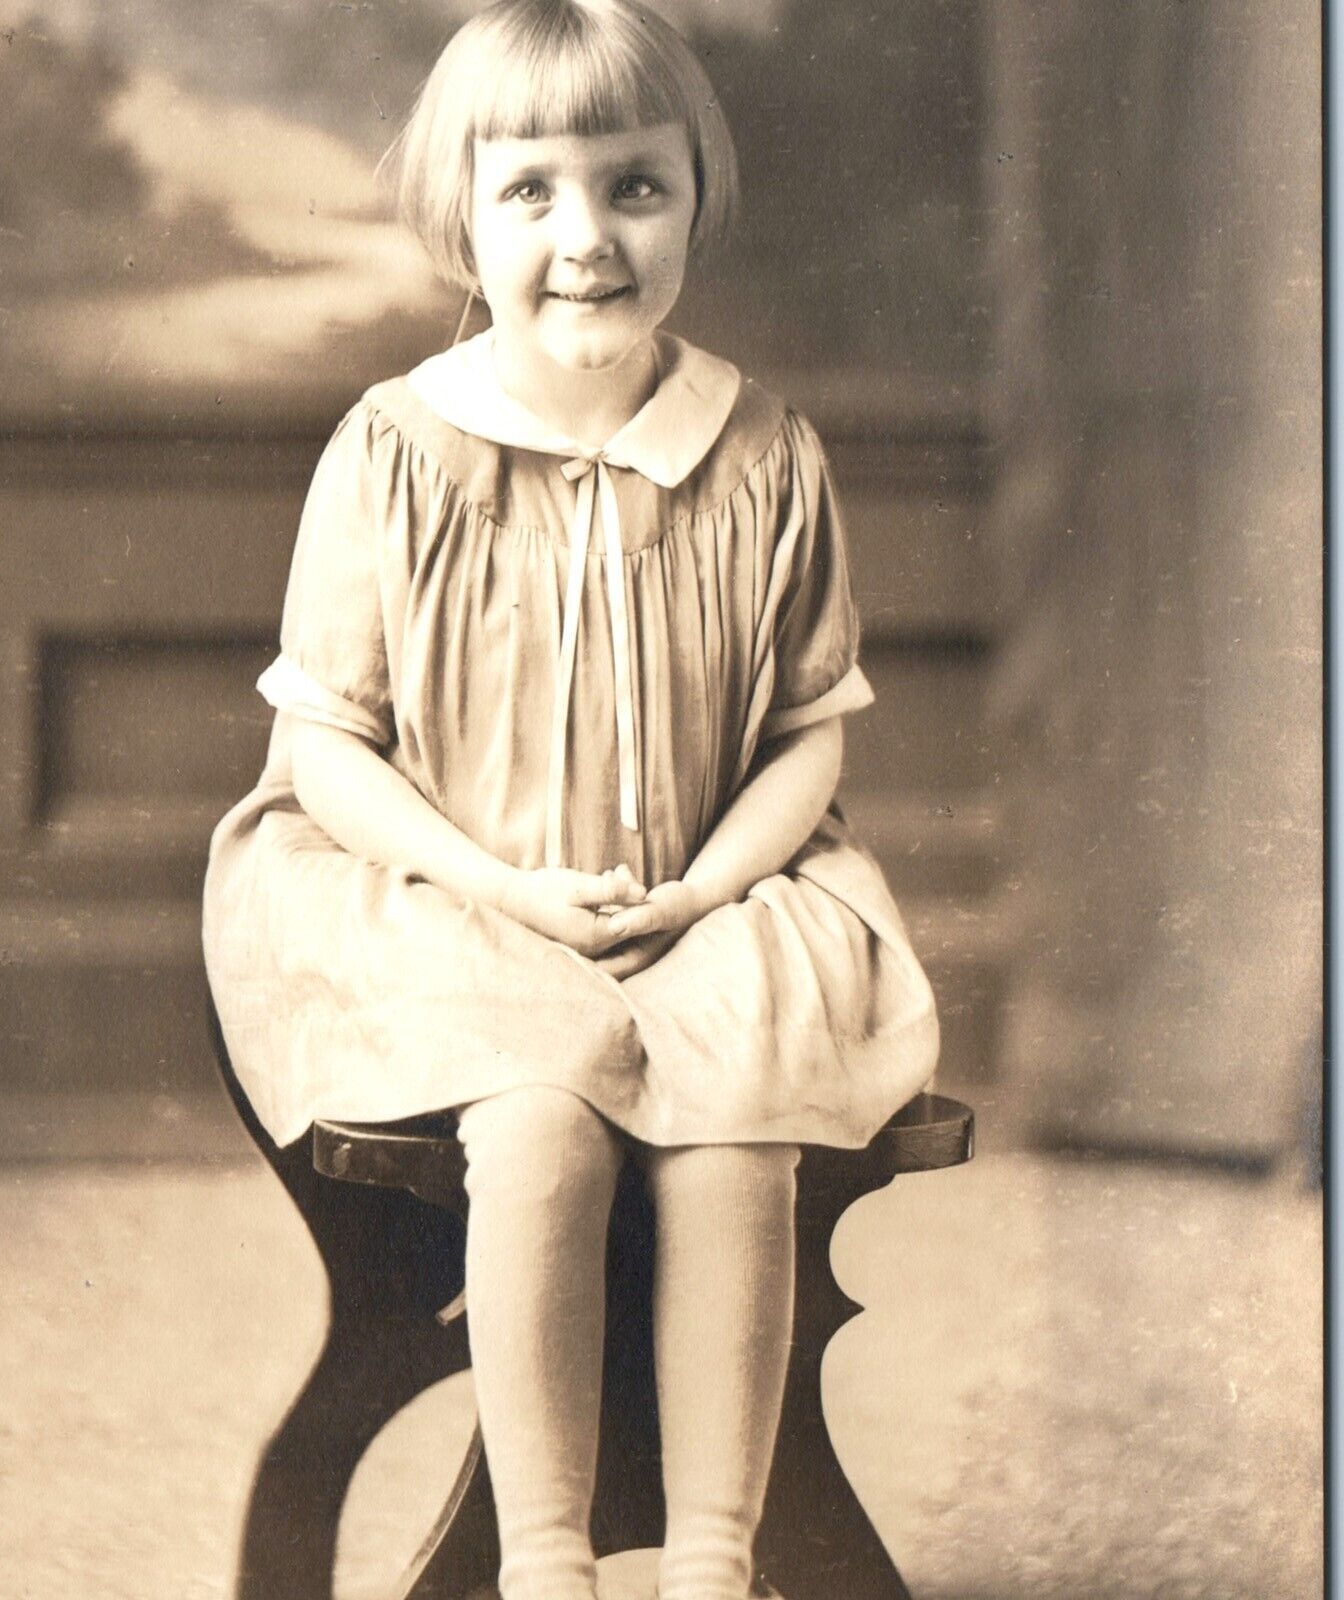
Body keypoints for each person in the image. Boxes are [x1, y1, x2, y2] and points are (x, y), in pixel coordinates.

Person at [204, 2, 939, 1595]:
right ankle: (544, 1560)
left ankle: (712, 1558)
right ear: (460, 214)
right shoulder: (397, 451)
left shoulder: (761, 455)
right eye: (530, 191)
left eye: (633, 186)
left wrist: (704, 891)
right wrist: (506, 890)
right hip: (452, 895)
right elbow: (327, 751)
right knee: (540, 1121)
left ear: (696, 192)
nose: (586, 237)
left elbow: (807, 742)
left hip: (705, 893)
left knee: (737, 1116)